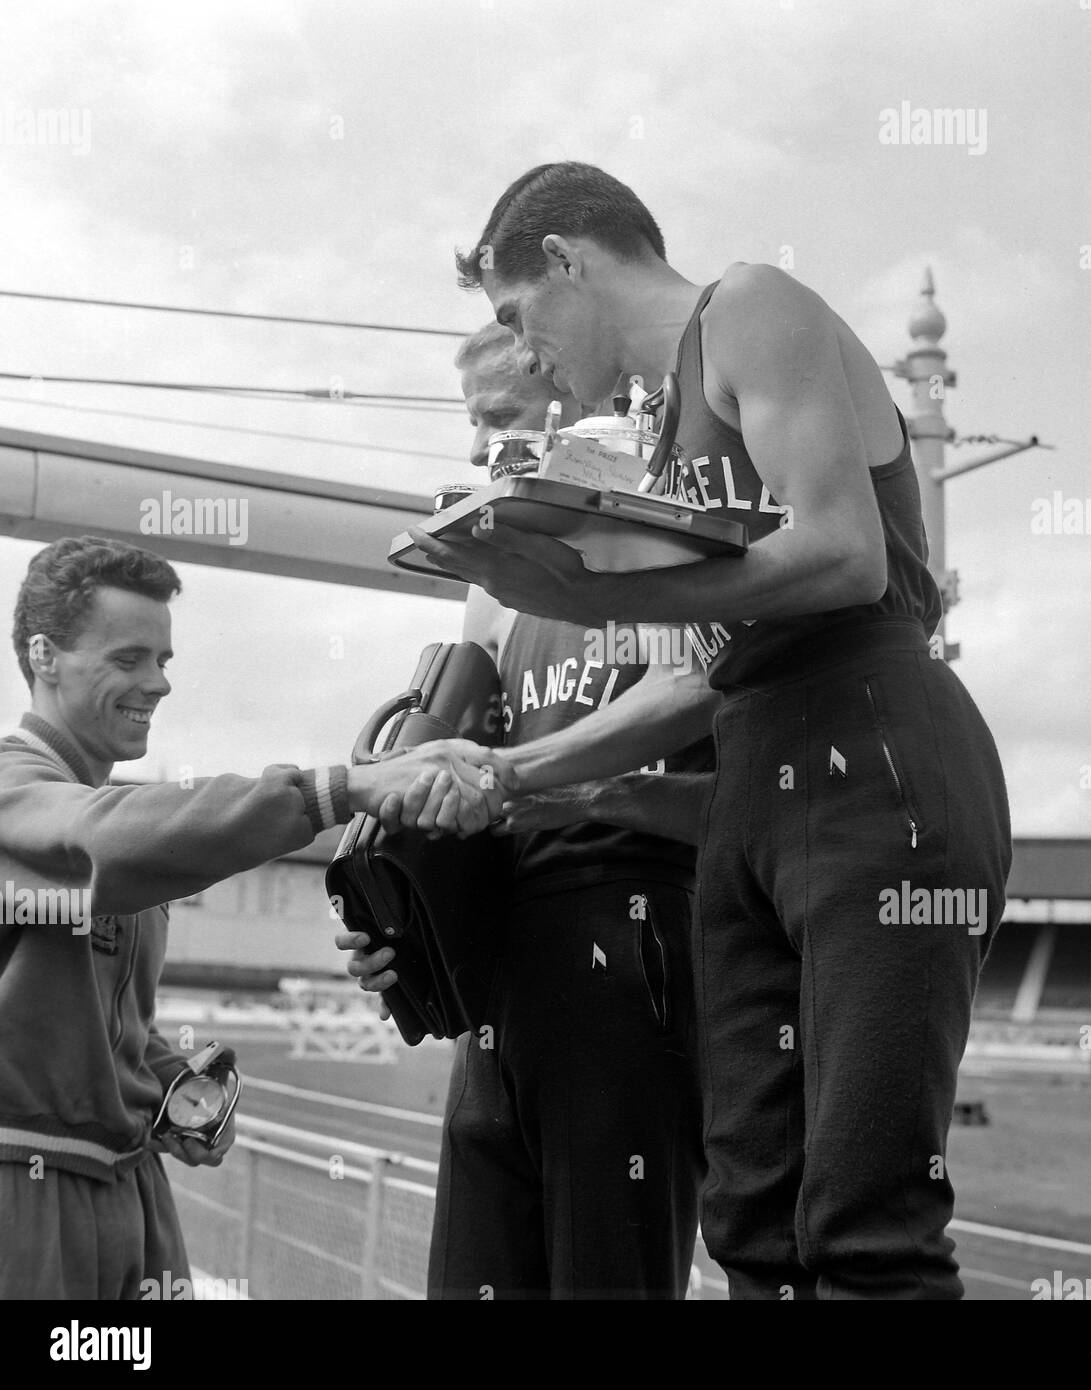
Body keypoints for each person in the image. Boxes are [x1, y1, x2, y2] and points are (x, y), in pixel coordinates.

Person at [404, 162, 1014, 1300]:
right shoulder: (661, 417)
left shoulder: (750, 307)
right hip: (755, 778)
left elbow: (844, 552)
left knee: (863, 1226)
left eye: (512, 315)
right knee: (753, 1225)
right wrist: (509, 766)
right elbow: (696, 673)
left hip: (872, 756)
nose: (522, 351)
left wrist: (593, 597)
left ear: (563, 261)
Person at [0, 534, 504, 1299]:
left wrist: (169, 1084)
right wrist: (349, 789)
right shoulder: (20, 793)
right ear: (44, 656)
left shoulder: (108, 814)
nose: (158, 684)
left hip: (132, 1187)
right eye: (128, 658)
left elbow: (87, 1014)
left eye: (164, 660)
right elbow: (106, 840)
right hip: (26, 1191)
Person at [340, 322, 711, 1299]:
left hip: (633, 958)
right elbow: (467, 780)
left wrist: (530, 785)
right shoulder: (490, 577)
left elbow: (726, 753)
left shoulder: (675, 517)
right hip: (502, 990)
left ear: (565, 382)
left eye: (494, 417)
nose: (473, 450)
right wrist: (404, 917)